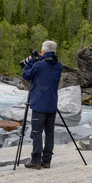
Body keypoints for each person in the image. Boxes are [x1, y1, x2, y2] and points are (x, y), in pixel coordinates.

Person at [20, 40, 63, 169]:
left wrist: (32, 60)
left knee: (37, 132)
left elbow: (26, 75)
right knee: (49, 132)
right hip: (52, 104)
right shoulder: (59, 66)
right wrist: (39, 59)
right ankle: (47, 160)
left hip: (39, 104)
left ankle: (36, 161)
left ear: (43, 51)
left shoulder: (39, 65)